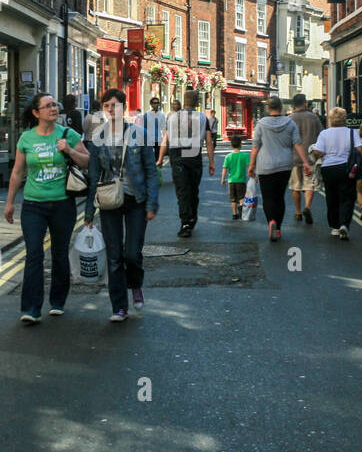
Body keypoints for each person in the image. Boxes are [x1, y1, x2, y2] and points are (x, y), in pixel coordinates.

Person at [4, 92, 90, 324]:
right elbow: (18, 172)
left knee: (60, 254)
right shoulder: (27, 139)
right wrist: (10, 202)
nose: (53, 108)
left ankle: (58, 302)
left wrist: (70, 150)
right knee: (34, 254)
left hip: (63, 203)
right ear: (36, 113)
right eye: (47, 106)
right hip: (33, 204)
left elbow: (87, 161)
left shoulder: (68, 134)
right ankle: (31, 308)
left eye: (55, 105)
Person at [83, 88, 159, 321]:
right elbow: (93, 176)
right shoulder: (98, 139)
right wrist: (88, 212)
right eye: (107, 106)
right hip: (109, 201)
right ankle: (119, 307)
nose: (111, 109)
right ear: (103, 109)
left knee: (132, 254)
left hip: (136, 199)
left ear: (123, 108)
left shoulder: (141, 134)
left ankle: (135, 284)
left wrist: (151, 204)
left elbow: (151, 171)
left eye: (115, 105)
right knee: (114, 256)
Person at [249, 95, 312, 242]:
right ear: (281, 107)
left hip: (265, 166)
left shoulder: (261, 124)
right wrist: (306, 163)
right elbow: (297, 144)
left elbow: (255, 147)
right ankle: (278, 229)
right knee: (279, 197)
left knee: (268, 197)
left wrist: (251, 165)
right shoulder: (290, 123)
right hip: (284, 165)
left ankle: (271, 221)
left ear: (269, 108)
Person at [157, 89, 215, 237]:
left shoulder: (173, 117)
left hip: (177, 156)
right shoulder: (203, 117)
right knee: (193, 190)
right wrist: (211, 162)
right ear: (196, 102)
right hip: (194, 155)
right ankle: (192, 217)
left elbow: (166, 139)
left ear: (184, 100)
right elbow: (209, 141)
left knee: (182, 191)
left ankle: (185, 222)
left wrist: (160, 158)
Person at [308, 107, 358, 240]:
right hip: (346, 168)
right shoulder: (352, 133)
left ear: (330, 120)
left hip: (329, 168)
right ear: (345, 119)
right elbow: (359, 149)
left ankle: (335, 227)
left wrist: (316, 152)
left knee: (332, 197)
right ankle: (344, 224)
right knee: (347, 197)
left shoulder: (325, 134)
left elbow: (318, 152)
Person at [289, 93, 325, 224]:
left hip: (294, 158)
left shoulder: (290, 119)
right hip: (310, 158)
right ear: (304, 103)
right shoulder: (314, 118)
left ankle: (298, 211)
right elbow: (322, 136)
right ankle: (307, 207)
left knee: (295, 186)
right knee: (309, 185)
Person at [221, 135, 250, 220]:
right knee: (241, 197)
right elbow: (249, 167)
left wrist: (223, 179)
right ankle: (242, 212)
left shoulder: (228, 156)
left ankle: (234, 214)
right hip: (241, 180)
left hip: (231, 181)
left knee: (233, 198)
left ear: (231, 145)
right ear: (241, 144)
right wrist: (253, 176)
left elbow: (224, 169)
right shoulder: (245, 155)